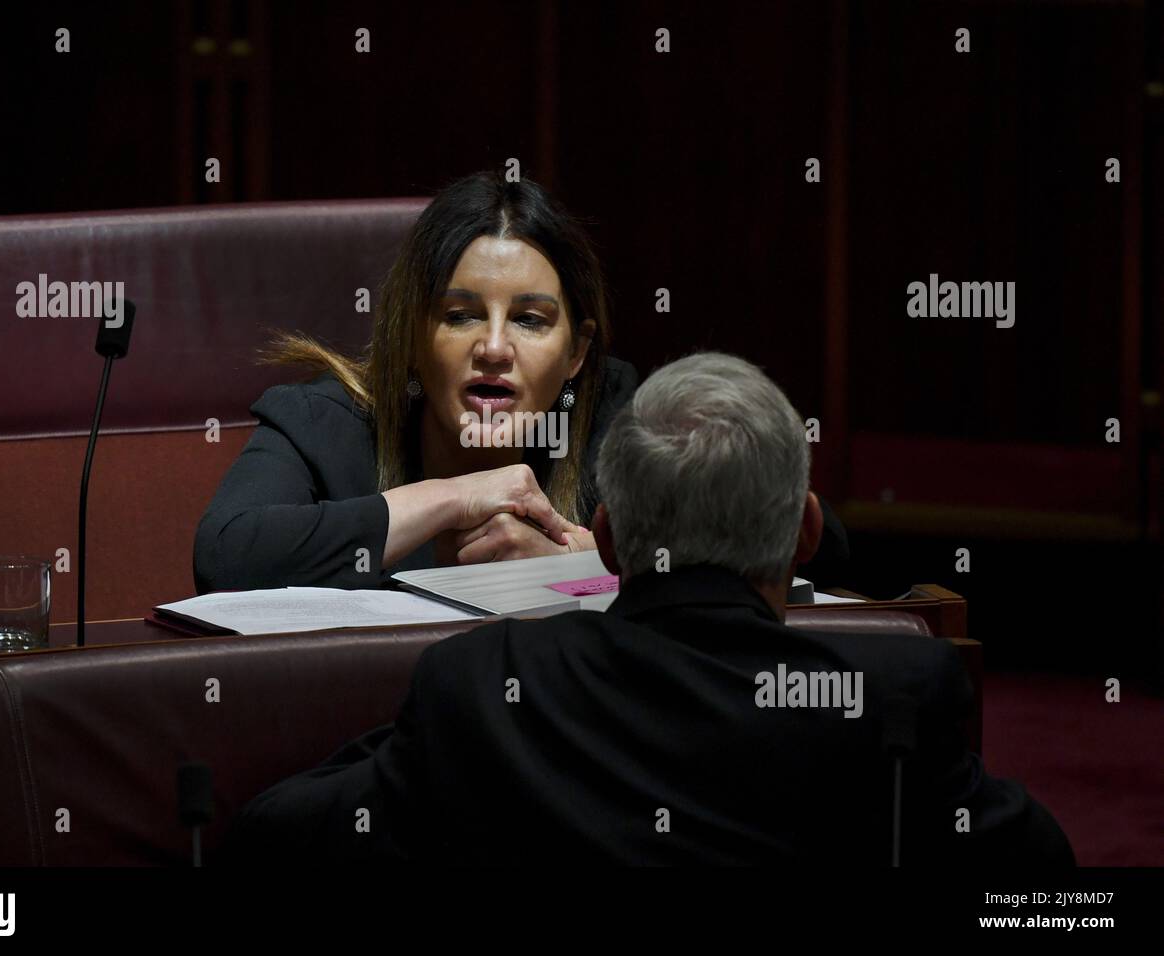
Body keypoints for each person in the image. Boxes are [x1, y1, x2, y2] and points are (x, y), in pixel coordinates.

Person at [218, 351, 1073, 866]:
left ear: (609, 540)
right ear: (805, 533)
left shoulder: (490, 687)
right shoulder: (892, 700)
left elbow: (272, 838)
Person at [193, 171, 849, 593]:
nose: (495, 348)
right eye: (459, 316)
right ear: (413, 340)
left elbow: (812, 543)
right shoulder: (326, 423)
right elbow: (226, 555)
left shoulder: (620, 420)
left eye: (531, 321)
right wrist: (456, 498)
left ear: (575, 353)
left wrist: (584, 564)